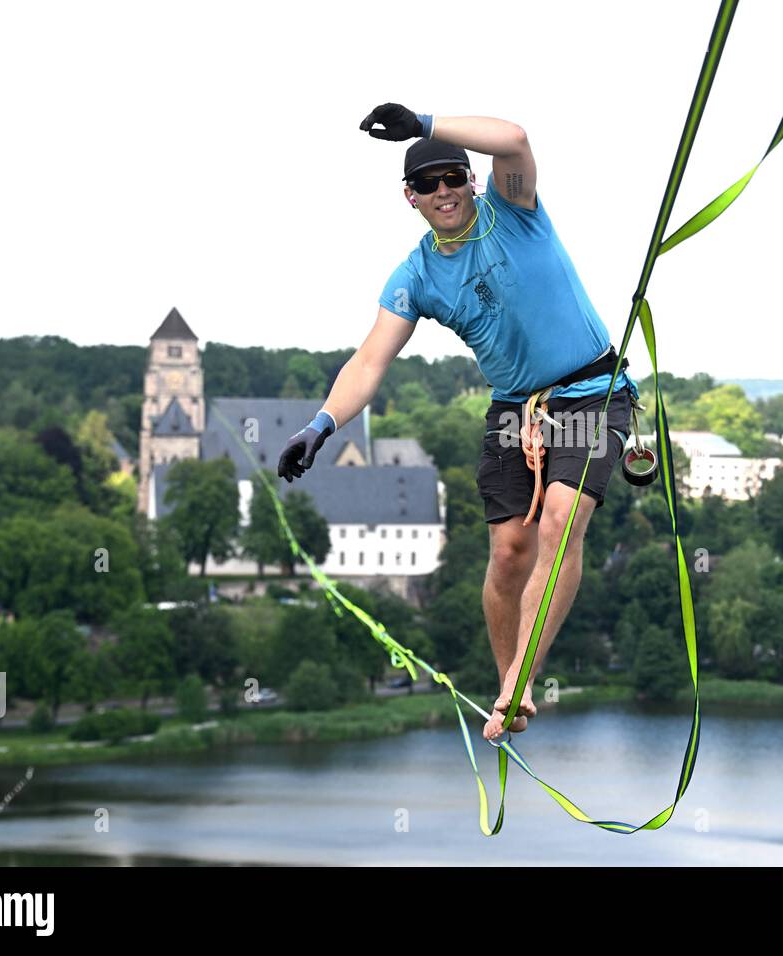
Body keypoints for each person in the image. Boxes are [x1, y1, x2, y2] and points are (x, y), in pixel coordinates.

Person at [278, 103, 639, 741]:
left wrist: (424, 122)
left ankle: (519, 680)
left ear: (471, 179)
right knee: (507, 555)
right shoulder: (416, 275)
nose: (443, 191)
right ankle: (510, 686)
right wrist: (321, 424)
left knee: (562, 518)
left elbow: (515, 138)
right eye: (427, 183)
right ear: (408, 197)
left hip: (591, 391)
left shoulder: (513, 210)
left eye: (452, 177)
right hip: (514, 410)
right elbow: (369, 361)